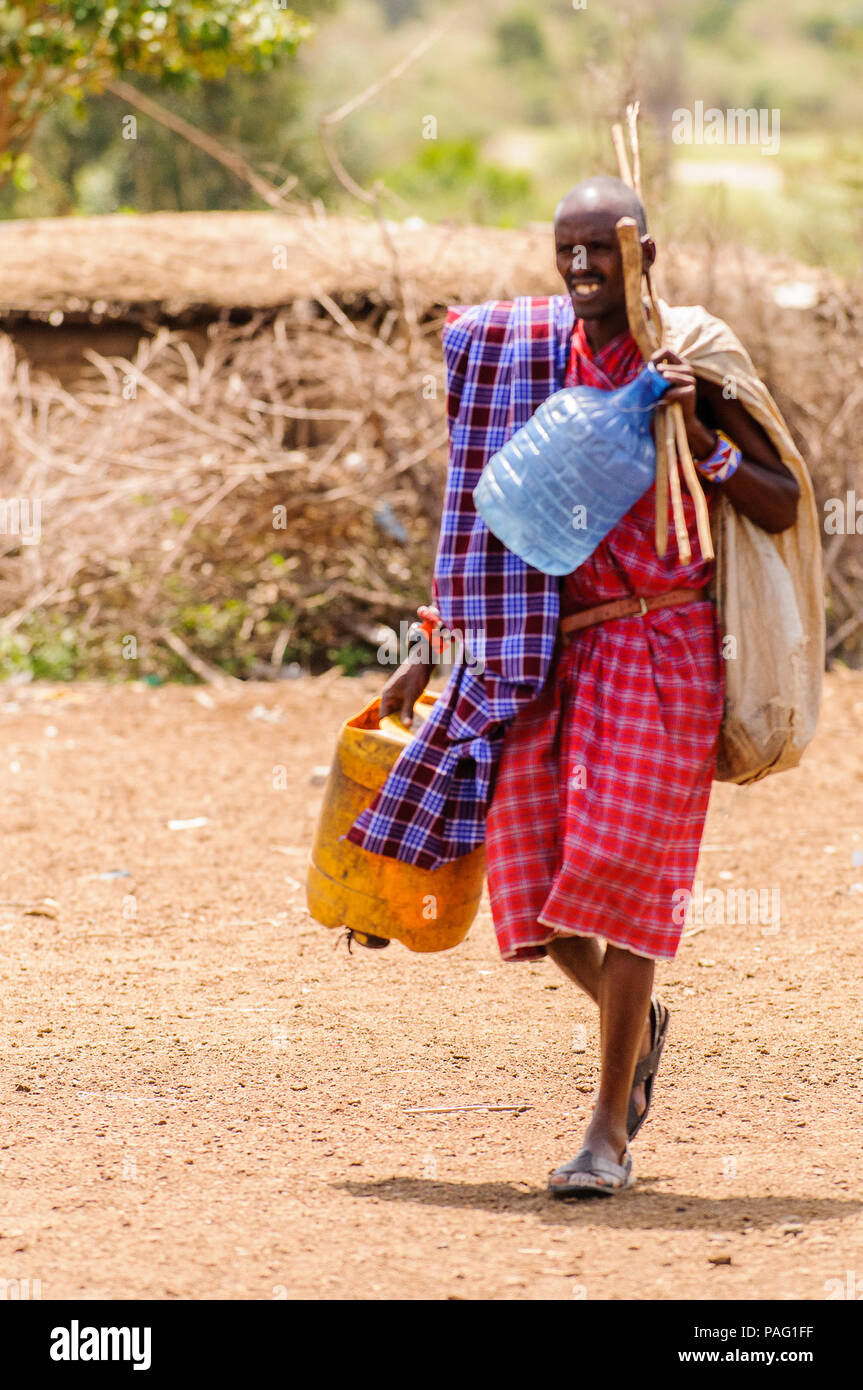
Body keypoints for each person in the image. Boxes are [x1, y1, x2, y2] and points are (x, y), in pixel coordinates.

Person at [346, 175, 800, 1197]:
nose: (582, 266)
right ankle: (634, 1028)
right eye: (568, 248)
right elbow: (481, 518)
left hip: (663, 646)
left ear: (644, 252)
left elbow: (778, 503)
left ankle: (605, 1137)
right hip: (546, 650)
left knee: (623, 879)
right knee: (531, 887)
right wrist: (433, 643)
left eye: (602, 247)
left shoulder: (692, 359)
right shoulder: (522, 356)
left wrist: (701, 442)